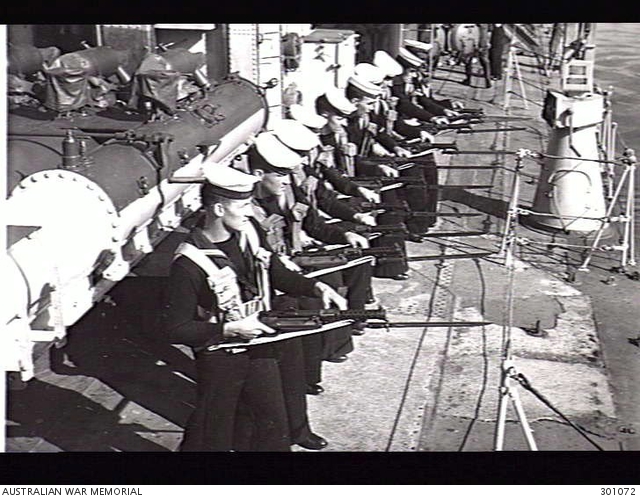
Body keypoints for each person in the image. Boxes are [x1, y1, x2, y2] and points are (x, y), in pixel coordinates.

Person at [161, 164, 343, 451]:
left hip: (259, 342)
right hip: (221, 356)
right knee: (212, 432)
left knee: (272, 423)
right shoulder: (188, 263)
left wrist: (315, 287)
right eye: (244, 205)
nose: (249, 211)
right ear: (219, 209)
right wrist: (230, 328)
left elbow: (274, 272)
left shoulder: (249, 231)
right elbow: (175, 328)